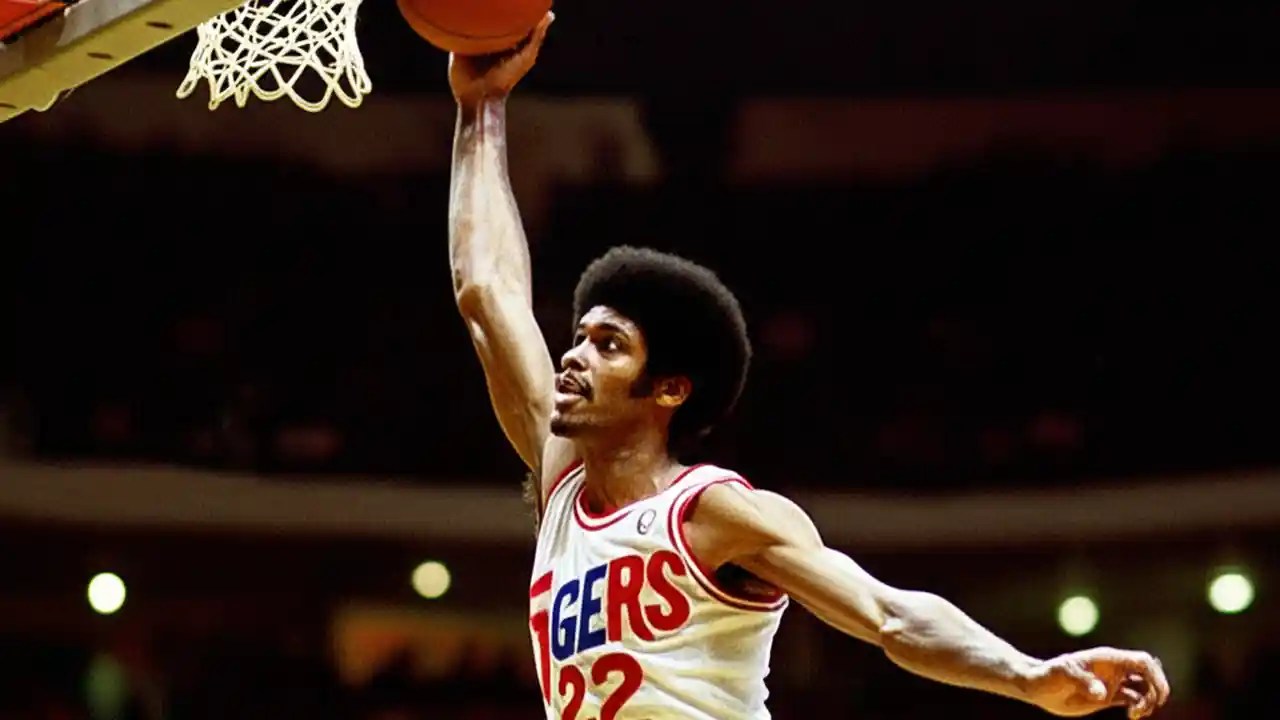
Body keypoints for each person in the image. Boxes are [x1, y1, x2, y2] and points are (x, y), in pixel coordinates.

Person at [445, 13, 1171, 720]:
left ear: (668, 389)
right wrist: (483, 110)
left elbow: (887, 614)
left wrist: (1028, 675)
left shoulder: (712, 512)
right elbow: (487, 291)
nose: (572, 355)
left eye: (609, 345)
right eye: (579, 336)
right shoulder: (564, 479)